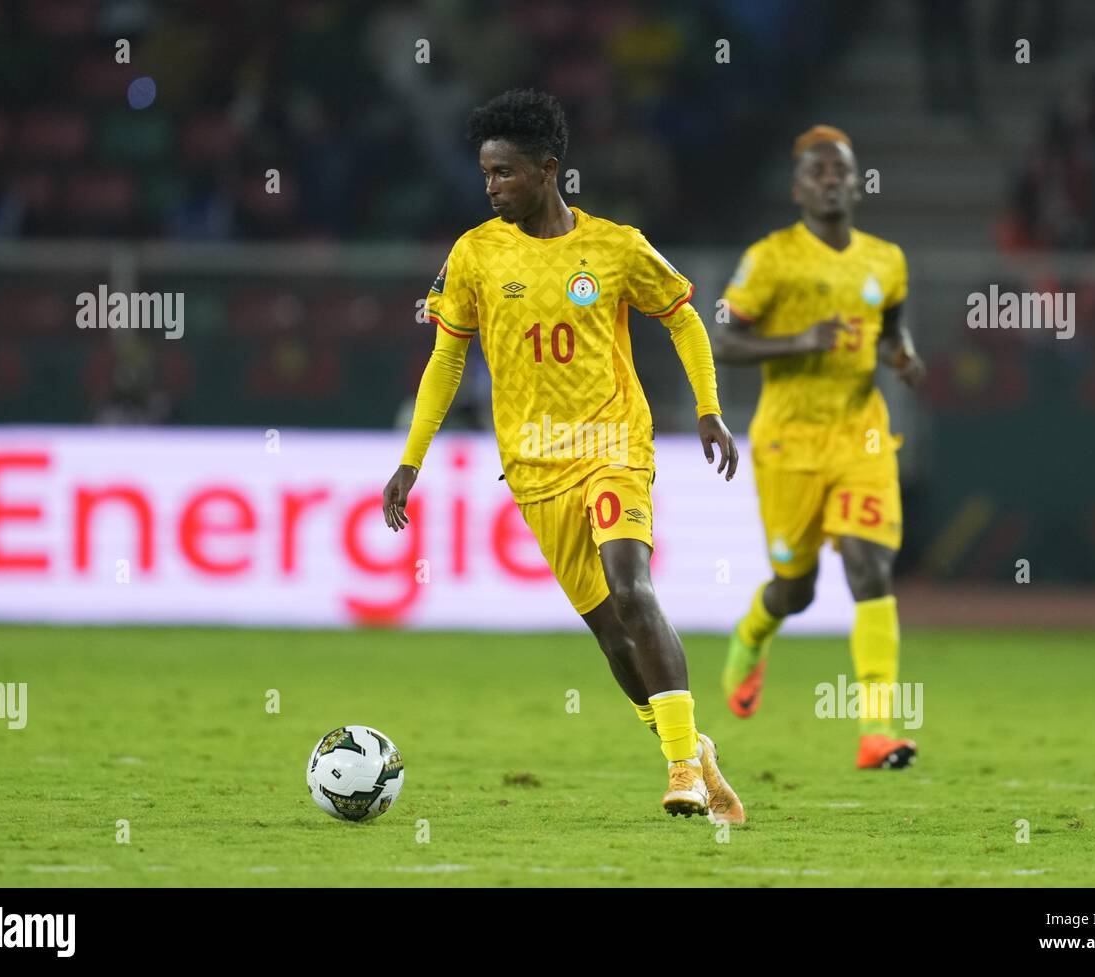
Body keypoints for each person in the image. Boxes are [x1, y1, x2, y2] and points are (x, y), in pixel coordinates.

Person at [383, 89, 745, 820]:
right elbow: (446, 363)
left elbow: (684, 319)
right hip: (532, 465)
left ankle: (678, 768)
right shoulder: (475, 254)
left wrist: (708, 406)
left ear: (549, 170)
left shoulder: (616, 246)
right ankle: (693, 747)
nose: (490, 188)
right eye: (485, 173)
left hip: (613, 444)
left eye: (505, 173)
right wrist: (412, 459)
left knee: (632, 586)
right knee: (613, 636)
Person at [714, 125, 926, 770]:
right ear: (798, 188)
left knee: (869, 565)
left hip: (860, 433)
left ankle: (877, 730)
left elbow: (891, 323)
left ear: (858, 182)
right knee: (796, 589)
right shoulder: (771, 258)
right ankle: (753, 634)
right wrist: (798, 341)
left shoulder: (886, 259)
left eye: (841, 170)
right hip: (788, 442)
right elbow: (722, 338)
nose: (831, 179)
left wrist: (901, 353)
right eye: (818, 172)